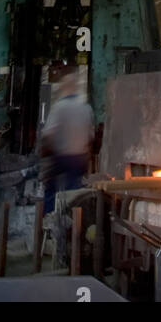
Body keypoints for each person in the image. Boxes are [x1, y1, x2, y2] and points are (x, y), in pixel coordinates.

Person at [41, 70, 94, 214]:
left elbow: (48, 135)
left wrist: (46, 160)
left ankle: (50, 219)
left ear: (64, 87)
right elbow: (90, 137)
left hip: (60, 157)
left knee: (51, 190)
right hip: (79, 158)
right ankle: (72, 222)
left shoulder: (59, 107)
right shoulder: (86, 108)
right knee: (74, 193)